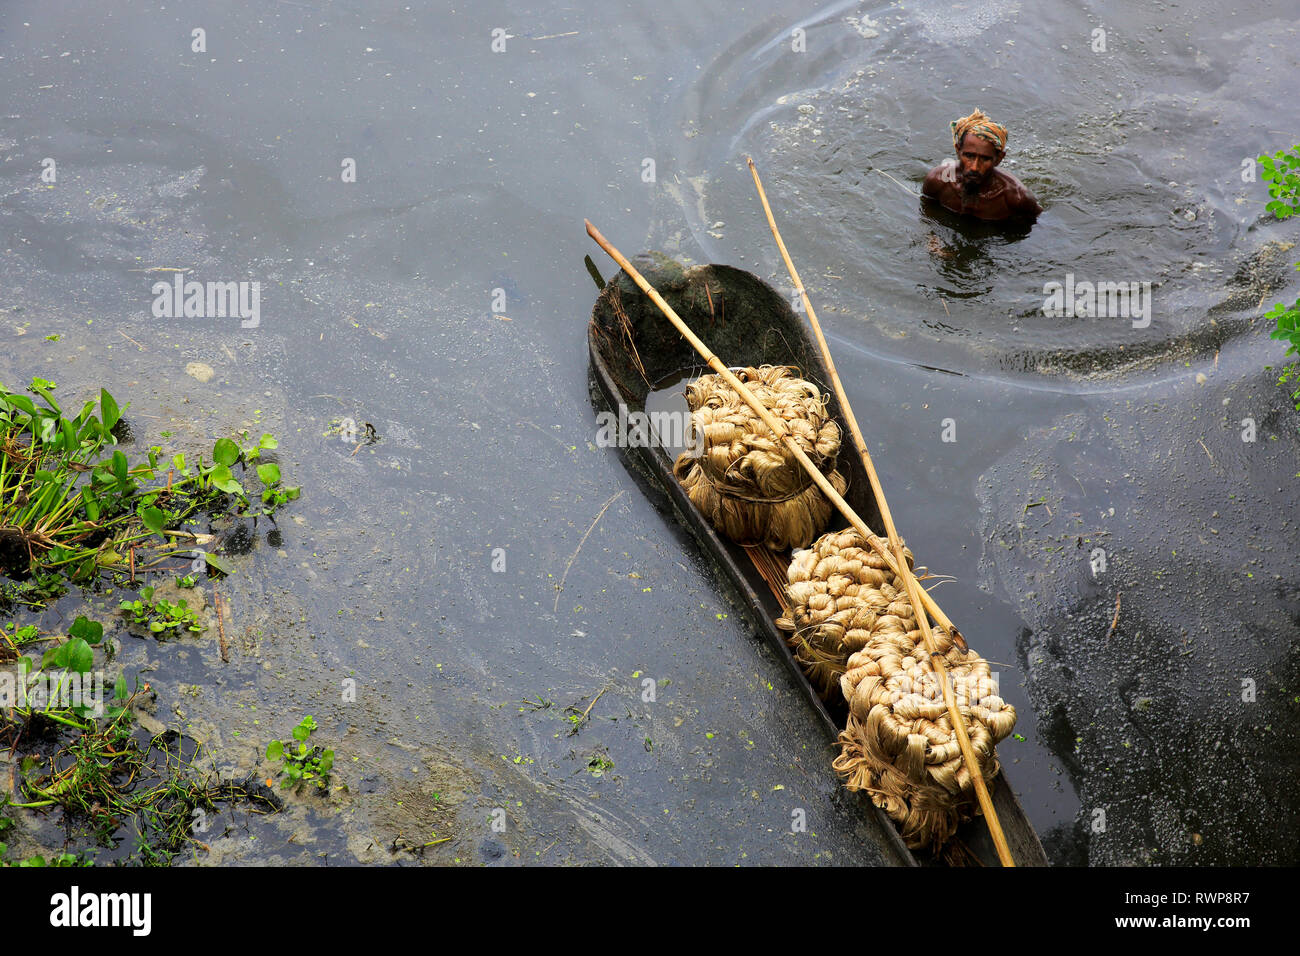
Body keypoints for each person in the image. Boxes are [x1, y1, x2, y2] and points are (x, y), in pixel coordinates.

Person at [922, 108, 1041, 221]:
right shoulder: (937, 181)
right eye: (969, 156)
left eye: (985, 159)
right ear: (958, 150)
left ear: (999, 158)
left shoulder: (1017, 198)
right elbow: (928, 214)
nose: (974, 167)